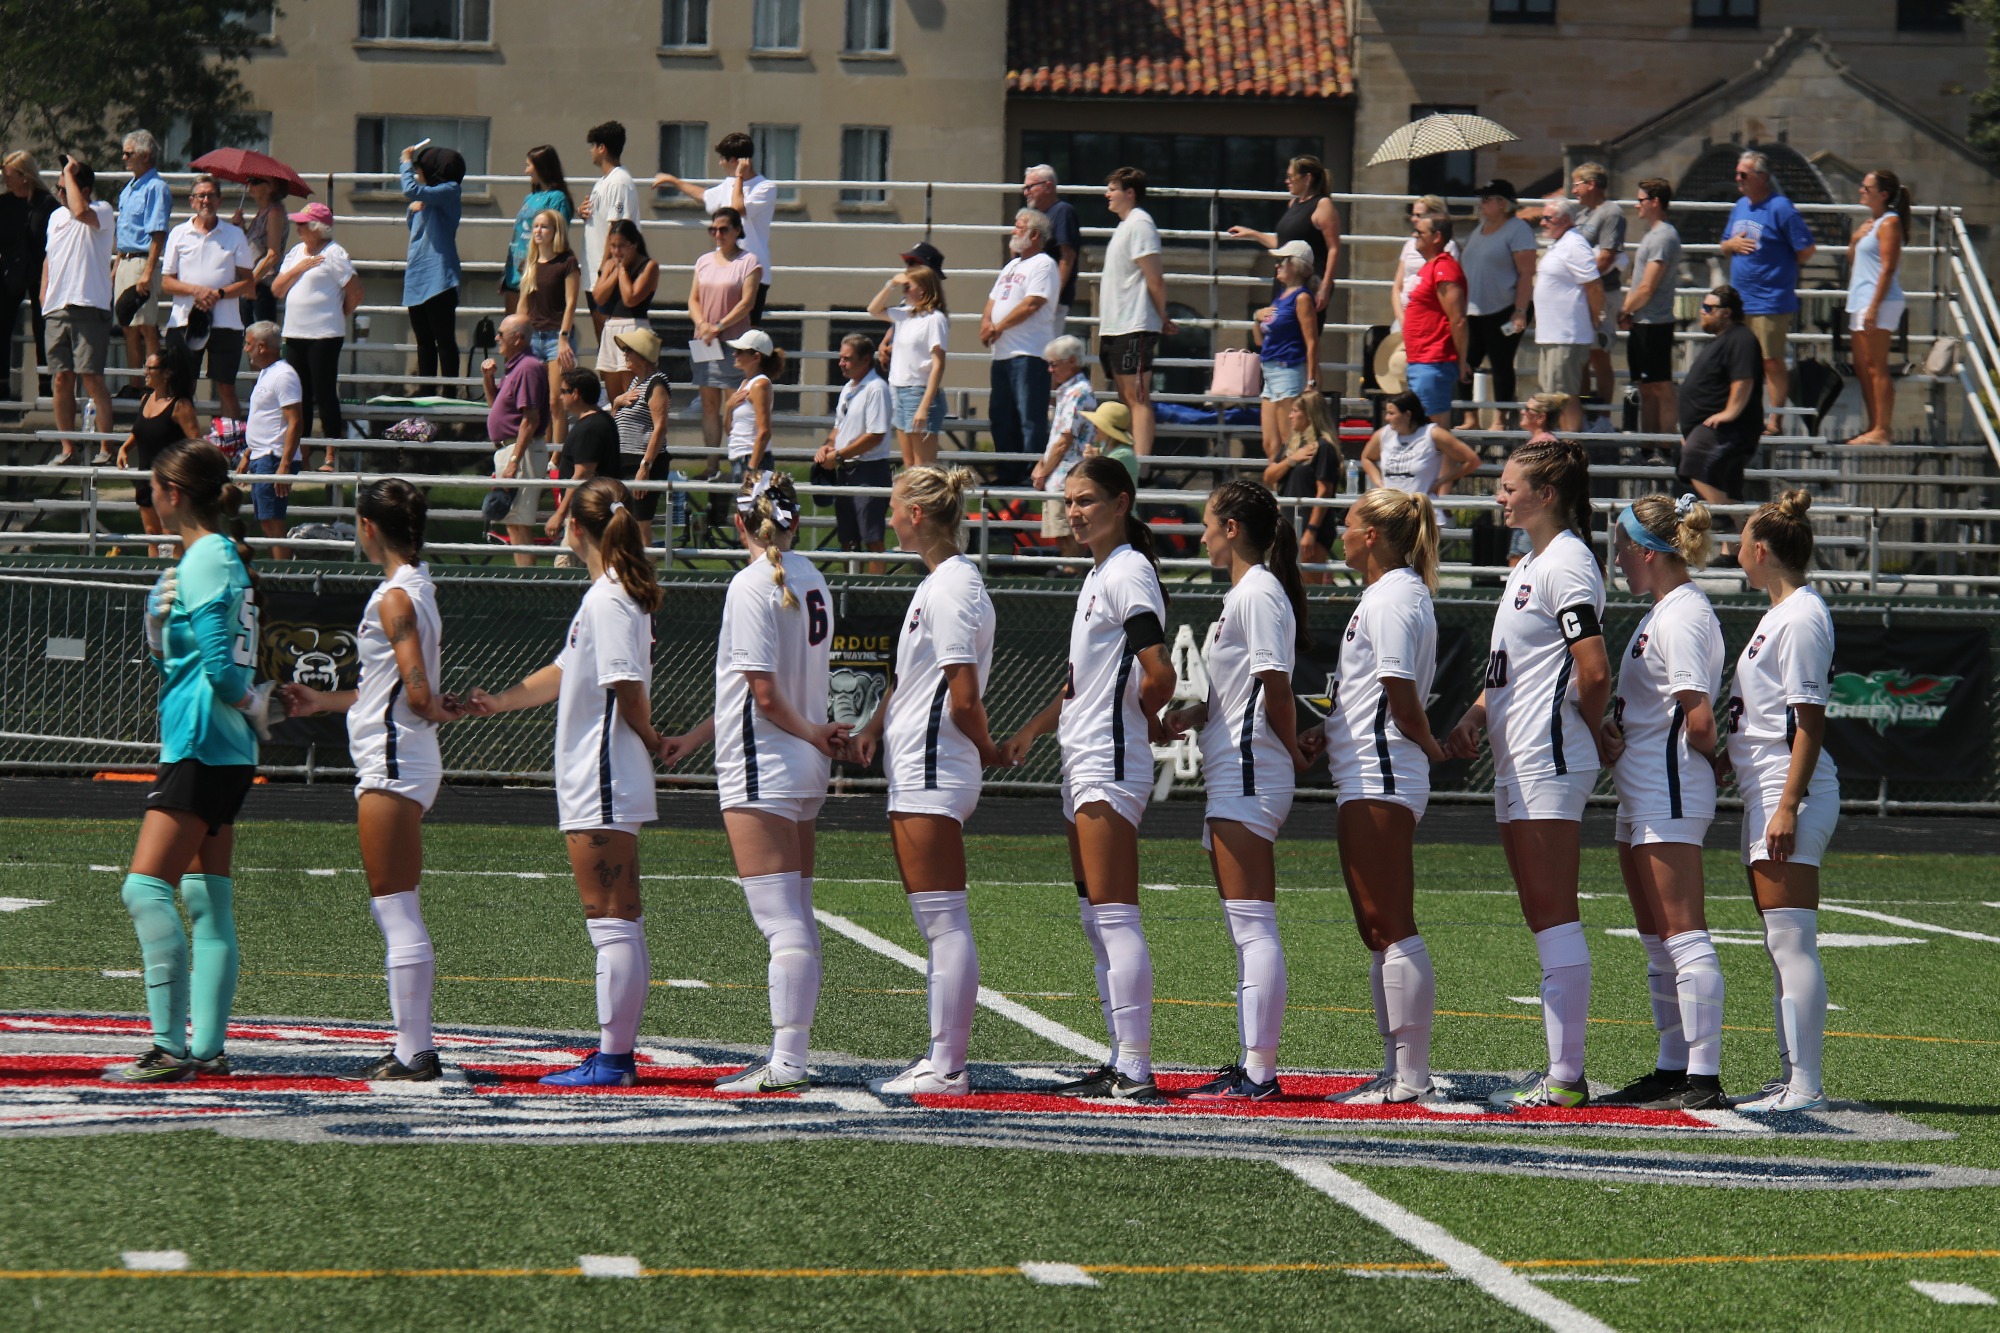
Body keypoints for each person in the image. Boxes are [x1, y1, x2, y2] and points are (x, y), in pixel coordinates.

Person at [464, 478, 667, 1088]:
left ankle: (613, 1060)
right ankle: (613, 1055)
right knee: (615, 919)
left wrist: (652, 739)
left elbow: (624, 686)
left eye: (562, 513)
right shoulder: (608, 595)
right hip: (599, 771)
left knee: (611, 920)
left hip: (601, 772)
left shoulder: (609, 598)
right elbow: (566, 668)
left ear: (577, 528)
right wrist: (497, 703)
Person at [659, 472, 846, 1093]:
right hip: (800, 761)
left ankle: (786, 1062)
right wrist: (695, 735)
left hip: (768, 759)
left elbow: (764, 695)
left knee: (779, 919)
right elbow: (755, 687)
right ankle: (791, 1054)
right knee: (795, 913)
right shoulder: (812, 576)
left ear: (743, 522)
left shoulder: (750, 584)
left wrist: (811, 734)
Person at [1000, 456, 1176, 1103]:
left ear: (1121, 501)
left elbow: (1160, 670)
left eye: (1086, 500)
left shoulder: (1128, 569)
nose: (1074, 511)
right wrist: (1032, 729)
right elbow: (1082, 685)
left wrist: (1151, 718)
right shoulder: (1101, 572)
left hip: (1107, 757)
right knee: (1095, 917)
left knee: (1116, 914)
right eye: (1069, 501)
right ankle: (1119, 1058)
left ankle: (1136, 1067)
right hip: (1083, 755)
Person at [1444, 440, 1610, 1109]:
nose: (1500, 495)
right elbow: (1508, 669)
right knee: (1540, 914)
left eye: (1510, 486)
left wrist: (1586, 733)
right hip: (1517, 755)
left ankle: (1567, 1078)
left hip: (1547, 755)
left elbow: (1592, 669)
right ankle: (1559, 1071)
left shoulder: (1568, 560)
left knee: (1554, 913)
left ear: (1546, 494)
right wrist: (1476, 715)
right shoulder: (1529, 564)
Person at [102, 438, 274, 1083]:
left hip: (202, 743)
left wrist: (249, 700)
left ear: (173, 493)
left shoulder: (205, 558)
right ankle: (206, 1049)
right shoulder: (215, 556)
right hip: (219, 745)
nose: (147, 497)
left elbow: (220, 670)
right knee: (209, 898)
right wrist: (156, 634)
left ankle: (171, 1046)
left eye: (151, 486)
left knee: (145, 889)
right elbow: (191, 659)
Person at [278, 480, 455, 1081]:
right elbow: (392, 689)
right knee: (394, 904)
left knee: (395, 905)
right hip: (402, 753)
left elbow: (416, 690)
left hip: (394, 759)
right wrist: (322, 701)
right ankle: (413, 1045)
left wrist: (439, 707)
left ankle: (416, 1050)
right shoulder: (413, 586)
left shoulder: (397, 596)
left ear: (368, 527)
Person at [848, 466, 1005, 1094]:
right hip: (922, 761)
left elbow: (963, 698)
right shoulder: (939, 584)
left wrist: (988, 750)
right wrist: (874, 724)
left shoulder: (952, 589)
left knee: (943, 922)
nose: (888, 517)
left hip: (935, 764)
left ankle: (947, 1066)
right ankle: (943, 1061)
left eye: (893, 507)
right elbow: (914, 679)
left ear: (917, 513)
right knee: (937, 919)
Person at [1161, 480, 1310, 1101]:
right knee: (1244, 924)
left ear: (1230, 529)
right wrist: (1194, 715)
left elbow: (1275, 688)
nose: (1199, 535)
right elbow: (1245, 691)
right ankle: (1254, 1067)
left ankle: (1259, 1073)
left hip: (1251, 769)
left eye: (1206, 523)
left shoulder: (1260, 592)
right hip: (1238, 765)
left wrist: (1296, 748)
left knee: (1252, 926)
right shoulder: (1248, 595)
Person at [1303, 487, 1448, 1104]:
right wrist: (1325, 728)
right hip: (1363, 767)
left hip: (1381, 770)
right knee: (1375, 924)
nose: (1339, 531)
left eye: (1348, 522)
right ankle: (1396, 1070)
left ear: (1372, 537)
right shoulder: (1386, 596)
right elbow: (1366, 691)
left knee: (1390, 922)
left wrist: (1432, 748)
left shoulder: (1393, 598)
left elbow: (1398, 690)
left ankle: (1410, 1076)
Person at [1597, 492, 1727, 1112]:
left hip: (1667, 785)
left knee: (1681, 932)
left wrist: (1713, 759)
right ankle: (1672, 1066)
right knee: (1656, 936)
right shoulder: (1663, 611)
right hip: (1643, 784)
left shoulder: (1681, 615)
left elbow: (1698, 722)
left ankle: (1703, 1076)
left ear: (1649, 552)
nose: (1617, 558)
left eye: (1622, 548)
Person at [1723, 490, 1837, 1114]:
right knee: (1779, 938)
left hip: (1789, 791)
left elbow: (1810, 723)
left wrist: (1788, 804)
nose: (1734, 551)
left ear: (1761, 551)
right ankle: (1793, 1075)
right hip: (1764, 787)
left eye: (1741, 542)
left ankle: (1806, 1084)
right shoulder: (1780, 613)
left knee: (1791, 938)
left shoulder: (1800, 616)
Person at [1722, 152, 1817, 436]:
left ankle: (1775, 421)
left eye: (1743, 175)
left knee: (1770, 360)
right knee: (1742, 361)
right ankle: (1745, 414)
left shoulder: (1781, 208)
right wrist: (1732, 245)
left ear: (1762, 177)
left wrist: (1781, 268)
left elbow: (1807, 249)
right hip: (1740, 301)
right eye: (1737, 173)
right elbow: (1724, 244)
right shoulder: (1740, 205)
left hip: (1770, 299)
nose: (1737, 179)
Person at [272, 202, 362, 472]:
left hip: (324, 335)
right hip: (295, 334)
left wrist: (337, 314)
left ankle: (331, 453)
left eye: (303, 224)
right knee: (300, 394)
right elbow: (277, 289)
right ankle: (304, 451)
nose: (298, 228)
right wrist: (299, 268)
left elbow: (356, 292)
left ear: (318, 227)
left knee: (324, 393)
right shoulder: (296, 252)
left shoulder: (335, 253)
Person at [161, 175, 255, 426]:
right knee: (182, 387)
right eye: (201, 195)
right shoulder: (178, 233)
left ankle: (232, 447)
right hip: (184, 321)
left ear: (220, 200)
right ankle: (183, 447)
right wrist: (196, 291)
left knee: (226, 387)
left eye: (211, 195)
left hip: (227, 324)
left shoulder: (235, 235)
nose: (206, 200)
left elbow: (248, 282)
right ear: (192, 201)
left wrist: (219, 294)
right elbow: (167, 282)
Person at [656, 132, 778, 319]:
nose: (720, 163)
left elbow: (738, 208)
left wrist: (739, 178)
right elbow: (705, 196)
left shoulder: (765, 187)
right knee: (715, 321)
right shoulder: (728, 184)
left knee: (746, 333)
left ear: (735, 161)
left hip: (752, 268)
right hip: (723, 267)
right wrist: (675, 182)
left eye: (723, 158)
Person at [41, 156, 115, 465]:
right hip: (57, 308)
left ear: (81, 187)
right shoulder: (56, 217)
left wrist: (69, 172)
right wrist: (45, 299)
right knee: (61, 379)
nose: (59, 194)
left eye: (63, 187)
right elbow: (49, 259)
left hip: (89, 306)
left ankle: (106, 449)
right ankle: (67, 448)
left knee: (92, 378)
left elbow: (81, 211)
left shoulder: (102, 210)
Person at [1099, 167, 1176, 461]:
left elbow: (1154, 277)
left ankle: (1140, 467)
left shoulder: (1141, 223)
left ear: (1130, 193)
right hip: (1115, 326)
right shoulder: (1124, 226)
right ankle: (1126, 459)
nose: (1107, 195)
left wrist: (1161, 315)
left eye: (1113, 189)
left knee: (1138, 397)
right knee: (1124, 399)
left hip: (1134, 325)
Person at [981, 208, 1059, 488]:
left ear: (1034, 234)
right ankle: (1008, 470)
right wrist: (986, 322)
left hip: (1029, 353)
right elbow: (992, 301)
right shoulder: (1011, 266)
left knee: (1029, 417)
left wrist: (997, 328)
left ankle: (1030, 471)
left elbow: (1032, 302)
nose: (1013, 231)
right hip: (1002, 354)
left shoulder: (1043, 264)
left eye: (1019, 227)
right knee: (1001, 415)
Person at [1676, 285, 1763, 527]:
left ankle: (1723, 516)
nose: (1702, 312)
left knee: (1692, 458)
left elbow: (1743, 379)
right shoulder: (1724, 340)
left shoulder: (1741, 338)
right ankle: (1733, 549)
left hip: (1731, 427)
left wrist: (1730, 412)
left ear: (1726, 312)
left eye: (1707, 307)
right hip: (1712, 426)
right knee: (1728, 483)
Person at [1457, 179, 1535, 429]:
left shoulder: (1518, 229)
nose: (1481, 204)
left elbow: (1526, 273)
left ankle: (1500, 417)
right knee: (1466, 361)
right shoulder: (1479, 230)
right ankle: (1471, 417)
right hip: (1474, 309)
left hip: (1504, 308)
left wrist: (1520, 311)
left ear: (1502, 204)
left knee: (1501, 364)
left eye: (1487, 199)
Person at [815, 333, 893, 572]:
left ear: (866, 359)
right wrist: (827, 446)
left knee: (872, 538)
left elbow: (875, 435)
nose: (841, 363)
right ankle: (852, 593)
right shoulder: (848, 388)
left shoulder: (877, 388)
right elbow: (840, 426)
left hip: (870, 470)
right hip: (847, 471)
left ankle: (874, 593)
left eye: (847, 358)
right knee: (848, 538)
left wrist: (838, 456)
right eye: (840, 358)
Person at [1226, 155, 1342, 315]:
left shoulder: (1322, 205)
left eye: (1291, 177)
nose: (1287, 181)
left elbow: (1334, 248)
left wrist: (1325, 287)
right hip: (1286, 279)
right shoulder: (1293, 204)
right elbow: (1284, 244)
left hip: (1309, 283)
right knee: (1278, 329)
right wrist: (1252, 234)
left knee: (1303, 334)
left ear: (1307, 178)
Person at [689, 206, 762, 457]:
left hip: (735, 346)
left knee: (737, 405)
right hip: (705, 342)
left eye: (723, 229)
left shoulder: (749, 262)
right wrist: (702, 326)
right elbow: (693, 300)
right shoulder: (703, 261)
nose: (717, 234)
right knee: (709, 405)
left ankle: (739, 463)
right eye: (713, 229)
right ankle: (712, 466)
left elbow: (747, 303)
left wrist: (718, 326)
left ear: (737, 230)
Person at [116, 345, 201, 555]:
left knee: (170, 536)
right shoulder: (146, 398)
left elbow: (196, 442)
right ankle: (153, 579)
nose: (145, 372)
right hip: (145, 477)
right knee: (151, 533)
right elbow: (141, 430)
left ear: (166, 373)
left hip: (170, 481)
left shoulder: (180, 405)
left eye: (150, 368)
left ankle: (174, 581)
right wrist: (124, 448)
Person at [1846, 170, 1910, 446]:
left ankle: (1882, 429)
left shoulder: (1890, 223)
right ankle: (1873, 426)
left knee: (1876, 366)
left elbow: (1889, 268)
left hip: (1879, 301)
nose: (1861, 190)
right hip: (1861, 299)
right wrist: (1854, 240)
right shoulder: (1872, 223)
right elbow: (1855, 262)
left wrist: (1874, 306)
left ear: (1883, 194)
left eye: (1866, 187)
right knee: (1862, 366)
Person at [482, 313, 550, 566]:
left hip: (521, 452)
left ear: (518, 338)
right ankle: (525, 583)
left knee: (519, 525)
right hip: (512, 450)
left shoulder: (528, 368)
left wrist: (514, 461)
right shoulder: (516, 367)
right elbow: (495, 405)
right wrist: (488, 379)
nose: (496, 337)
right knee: (513, 524)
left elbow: (530, 420)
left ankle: (528, 587)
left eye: (502, 333)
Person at [400, 143, 464, 396]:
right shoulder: (426, 196)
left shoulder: (449, 190)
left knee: (444, 338)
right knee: (424, 340)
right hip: (417, 275)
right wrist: (411, 209)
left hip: (440, 276)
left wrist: (405, 160)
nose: (418, 174)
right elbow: (414, 227)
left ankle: (449, 391)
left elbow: (410, 189)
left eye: (420, 169)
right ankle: (425, 391)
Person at [868, 265, 948, 467]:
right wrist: (891, 285)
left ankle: (928, 499)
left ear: (922, 289)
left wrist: (924, 406)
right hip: (898, 389)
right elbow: (873, 309)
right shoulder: (905, 314)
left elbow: (938, 364)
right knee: (909, 464)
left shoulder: (935, 319)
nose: (903, 291)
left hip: (918, 391)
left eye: (907, 287)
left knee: (923, 467)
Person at [1621, 180, 1683, 436]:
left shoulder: (1663, 237)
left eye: (1641, 200)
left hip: (1654, 324)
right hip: (1643, 322)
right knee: (1646, 387)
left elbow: (1648, 286)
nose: (1637, 205)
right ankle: (1647, 449)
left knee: (1661, 388)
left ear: (1655, 202)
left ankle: (1666, 449)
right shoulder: (1653, 235)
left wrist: (1624, 310)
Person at [1532, 200, 1601, 431]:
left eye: (1548, 218)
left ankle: (1572, 448)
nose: (1542, 222)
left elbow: (1594, 286)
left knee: (1564, 396)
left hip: (1566, 334)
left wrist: (1594, 317)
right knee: (1551, 395)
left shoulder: (1575, 244)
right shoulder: (1560, 244)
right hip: (1552, 335)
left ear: (1565, 220)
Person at [1261, 388, 1340, 584]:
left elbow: (1324, 492)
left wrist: (1311, 531)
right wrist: (1291, 460)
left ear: (1310, 414)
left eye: (1295, 411)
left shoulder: (1324, 448)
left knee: (1307, 586)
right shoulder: (1293, 446)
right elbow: (1269, 476)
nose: (1290, 416)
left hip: (1310, 526)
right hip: (1288, 523)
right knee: (1285, 583)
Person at [517, 209, 580, 450]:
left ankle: (556, 457)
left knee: (556, 401)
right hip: (533, 338)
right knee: (537, 402)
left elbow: (571, 303)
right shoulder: (529, 264)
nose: (538, 231)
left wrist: (564, 337)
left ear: (556, 232)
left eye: (544, 227)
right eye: (535, 226)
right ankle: (540, 452)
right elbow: (523, 304)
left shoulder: (567, 263)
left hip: (556, 337)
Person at [238, 322, 302, 560]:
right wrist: (248, 454)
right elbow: (264, 420)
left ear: (262, 346)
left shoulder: (283, 375)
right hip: (262, 456)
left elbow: (295, 421)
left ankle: (284, 578)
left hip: (274, 458)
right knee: (268, 523)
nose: (246, 349)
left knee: (273, 524)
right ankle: (281, 573)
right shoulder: (267, 373)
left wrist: (284, 465)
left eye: (249, 344)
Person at [1, 151, 59, 407]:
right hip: (8, 273)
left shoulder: (47, 205)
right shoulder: (3, 204)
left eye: (8, 174)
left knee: (42, 328)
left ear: (24, 177)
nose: (4, 179)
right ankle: (3, 385)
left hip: (40, 273)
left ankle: (46, 388)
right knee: (2, 326)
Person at [1032, 334, 1096, 562]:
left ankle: (1072, 577)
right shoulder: (1068, 392)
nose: (1050, 370)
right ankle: (1070, 574)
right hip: (1058, 476)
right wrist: (1042, 465)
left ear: (1071, 361)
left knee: (1069, 534)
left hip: (1066, 477)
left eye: (1054, 364)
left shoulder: (1079, 393)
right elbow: (1056, 438)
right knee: (1061, 534)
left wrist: (1043, 470)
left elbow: (1064, 441)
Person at [1570, 164, 1627, 409]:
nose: (1573, 191)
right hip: (1582, 293)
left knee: (1599, 355)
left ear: (1591, 184)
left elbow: (1606, 256)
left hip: (1602, 293)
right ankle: (1584, 407)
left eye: (1576, 184)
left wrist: (1581, 278)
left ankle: (1602, 413)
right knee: (1581, 357)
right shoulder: (1582, 215)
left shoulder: (1611, 212)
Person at [1401, 214, 1468, 425]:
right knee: (1425, 433)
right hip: (1422, 361)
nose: (1414, 236)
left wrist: (1462, 361)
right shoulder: (1430, 266)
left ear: (1437, 237)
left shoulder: (1444, 268)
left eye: (1420, 233)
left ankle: (1455, 460)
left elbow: (1458, 320)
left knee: (1434, 433)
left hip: (1434, 361)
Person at [114, 130, 170, 373]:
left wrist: (148, 271)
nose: (124, 158)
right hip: (126, 260)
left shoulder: (155, 187)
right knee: (128, 324)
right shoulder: (129, 188)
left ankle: (153, 380)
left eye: (129, 153)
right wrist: (117, 264)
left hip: (141, 262)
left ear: (145, 155)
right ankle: (135, 382)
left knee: (146, 324)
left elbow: (158, 232)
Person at [1255, 248, 1318, 460]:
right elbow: (1259, 340)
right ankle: (1277, 489)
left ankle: (1289, 489)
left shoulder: (1301, 298)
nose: (1277, 265)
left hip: (1288, 369)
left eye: (1283, 261)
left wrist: (1311, 380)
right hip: (1270, 371)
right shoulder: (1280, 298)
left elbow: (1311, 341)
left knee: (1288, 439)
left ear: (1296, 265)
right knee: (1270, 443)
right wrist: (1257, 316)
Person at [548, 366, 623, 541]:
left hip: (588, 510)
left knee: (566, 564)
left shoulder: (590, 427)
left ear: (576, 394)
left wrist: (560, 513)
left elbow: (583, 473)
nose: (560, 396)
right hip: (591, 508)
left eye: (563, 391)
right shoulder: (598, 421)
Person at [579, 121, 638, 338]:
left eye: (593, 146)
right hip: (595, 271)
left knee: (613, 341)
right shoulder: (603, 182)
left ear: (602, 148)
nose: (591, 151)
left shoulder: (619, 182)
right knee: (602, 339)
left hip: (607, 273)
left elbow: (617, 228)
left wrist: (605, 269)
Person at [609, 326, 672, 529]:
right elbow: (615, 422)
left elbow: (660, 427)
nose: (625, 354)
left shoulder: (657, 384)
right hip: (624, 461)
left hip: (641, 462)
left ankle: (645, 561)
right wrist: (617, 403)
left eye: (629, 350)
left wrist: (645, 467)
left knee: (640, 528)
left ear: (642, 355)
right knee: (624, 525)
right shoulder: (636, 382)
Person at [501, 146, 574, 316]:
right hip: (516, 269)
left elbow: (557, 236)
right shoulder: (530, 197)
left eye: (529, 165)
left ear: (541, 167)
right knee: (513, 327)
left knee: (530, 326)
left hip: (536, 271)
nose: (526, 171)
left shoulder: (557, 198)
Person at [591, 218, 658, 404]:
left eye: (621, 246)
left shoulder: (649, 266)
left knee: (632, 394)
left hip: (634, 329)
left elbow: (630, 298)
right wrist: (614, 270)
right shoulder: (610, 264)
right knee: (615, 397)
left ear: (634, 244)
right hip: (611, 328)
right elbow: (599, 297)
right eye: (613, 246)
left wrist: (622, 270)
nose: (616, 251)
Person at [1363, 391, 1480, 496]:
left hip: (1423, 508)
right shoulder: (1383, 434)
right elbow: (1367, 458)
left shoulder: (1432, 434)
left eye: (1391, 413)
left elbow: (1472, 460)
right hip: (1391, 508)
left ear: (1407, 414)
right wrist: (1380, 483)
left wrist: (1439, 483)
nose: (1387, 418)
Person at [1023, 165, 1081, 325]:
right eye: (1024, 188)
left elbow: (1067, 256)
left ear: (1048, 186)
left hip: (1050, 302)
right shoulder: (1037, 217)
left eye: (1029, 187)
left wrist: (1053, 297)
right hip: (1034, 298)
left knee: (1047, 348)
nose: (1025, 192)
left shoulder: (1063, 211)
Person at [723, 329, 782, 480]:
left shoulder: (760, 385)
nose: (734, 354)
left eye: (740, 351)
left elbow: (764, 431)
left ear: (756, 357)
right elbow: (730, 431)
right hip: (740, 457)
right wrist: (728, 407)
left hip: (752, 460)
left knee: (753, 503)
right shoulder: (745, 384)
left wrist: (751, 468)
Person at [231, 177, 289, 327]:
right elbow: (252, 247)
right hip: (252, 284)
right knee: (248, 339)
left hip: (261, 286)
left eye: (256, 182)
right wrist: (240, 227)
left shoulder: (274, 212)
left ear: (271, 187)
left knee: (260, 338)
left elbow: (273, 255)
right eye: (249, 181)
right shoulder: (263, 212)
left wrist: (249, 283)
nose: (250, 185)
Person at [1390, 195, 1456, 324]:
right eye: (1413, 214)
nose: (1413, 219)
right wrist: (1402, 319)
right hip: (1404, 315)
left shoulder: (1449, 248)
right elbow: (1397, 287)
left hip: (1429, 319)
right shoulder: (1409, 245)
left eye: (1419, 215)